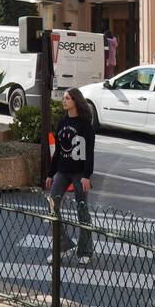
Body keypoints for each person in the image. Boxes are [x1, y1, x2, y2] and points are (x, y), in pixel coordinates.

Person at [47, 88, 95, 266]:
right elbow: (58, 152)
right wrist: (50, 174)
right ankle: (63, 245)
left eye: (67, 98)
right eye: (64, 99)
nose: (64, 101)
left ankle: (85, 251)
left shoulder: (85, 125)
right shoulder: (62, 122)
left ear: (76, 101)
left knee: (82, 209)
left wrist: (87, 176)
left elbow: (89, 153)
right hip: (63, 171)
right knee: (52, 204)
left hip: (79, 173)